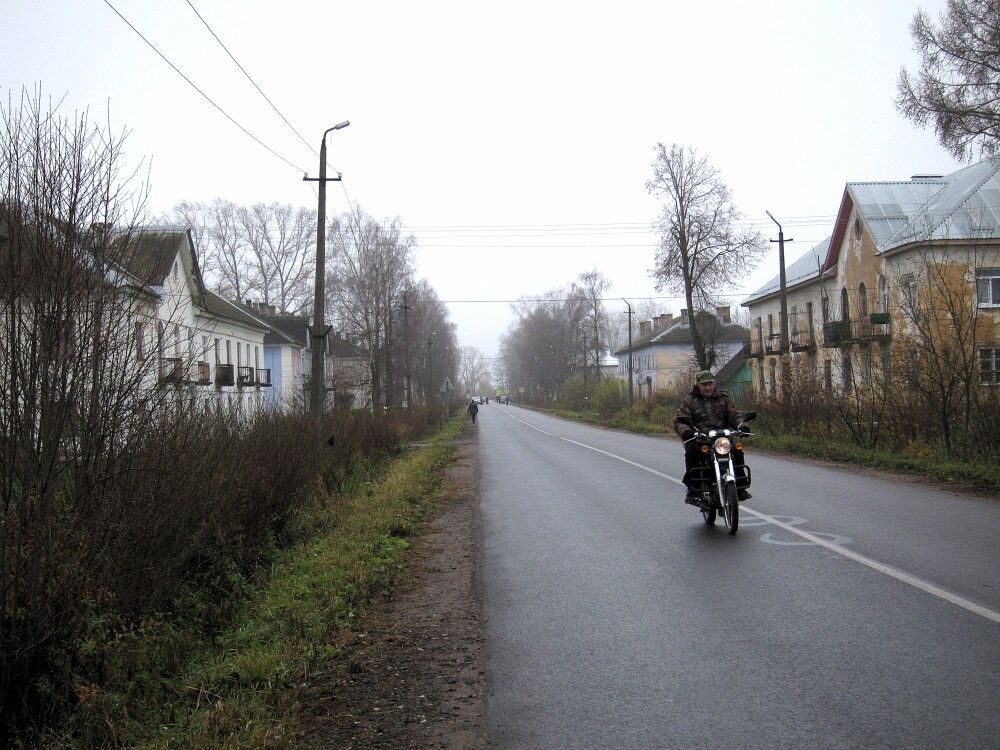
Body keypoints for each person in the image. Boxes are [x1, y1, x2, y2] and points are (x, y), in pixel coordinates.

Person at [673, 370, 751, 503]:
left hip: (722, 440)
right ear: (698, 385)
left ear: (714, 384)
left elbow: (735, 414)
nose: (708, 387)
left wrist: (742, 425)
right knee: (692, 453)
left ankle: (739, 488)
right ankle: (694, 491)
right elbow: (681, 420)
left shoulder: (723, 399)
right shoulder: (690, 401)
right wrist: (686, 431)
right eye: (704, 385)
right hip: (701, 441)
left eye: (710, 384)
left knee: (737, 452)